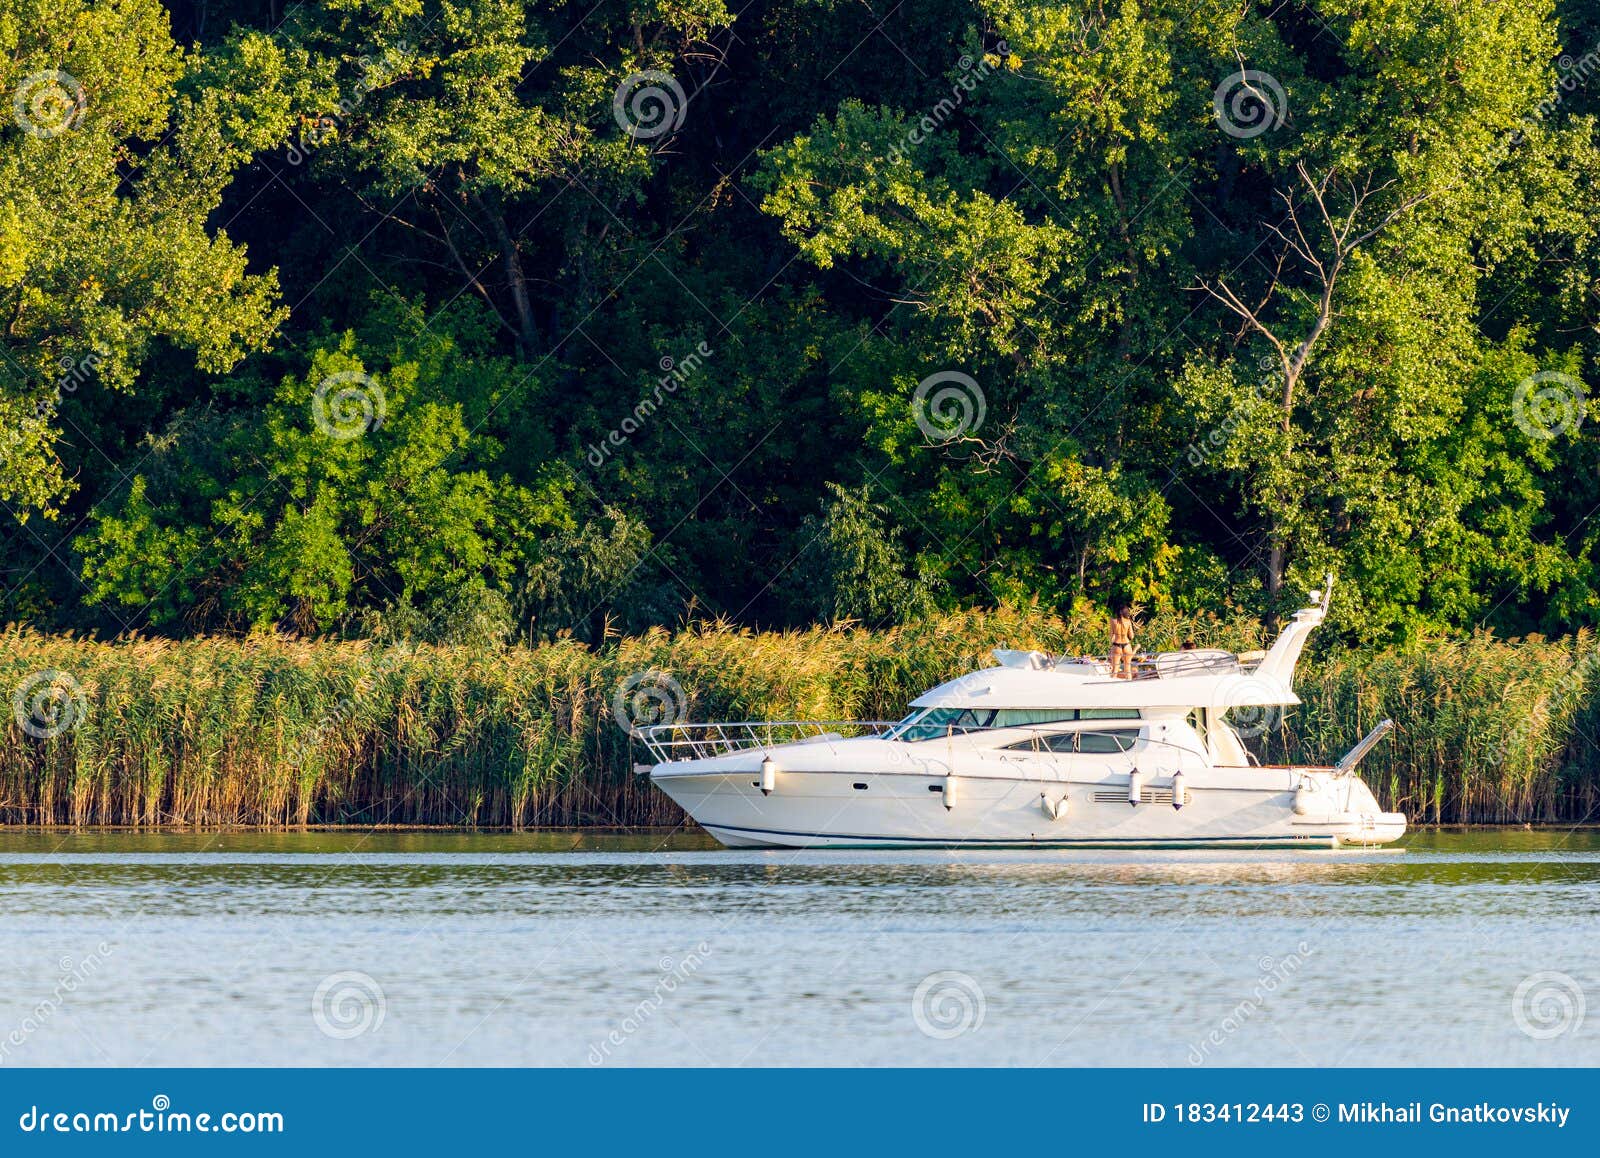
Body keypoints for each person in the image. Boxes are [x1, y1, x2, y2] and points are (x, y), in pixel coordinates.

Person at [1109, 606, 1136, 679]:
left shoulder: (1113, 621)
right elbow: (1132, 636)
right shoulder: (1128, 622)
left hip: (1116, 645)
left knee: (1115, 670)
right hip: (1126, 645)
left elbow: (1111, 636)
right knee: (1128, 668)